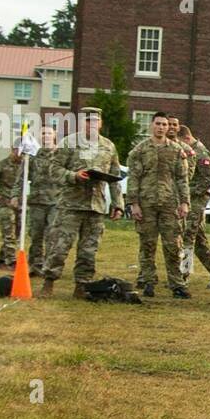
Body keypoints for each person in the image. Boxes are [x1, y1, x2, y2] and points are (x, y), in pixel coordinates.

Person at [39, 108, 125, 298]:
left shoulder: (108, 146)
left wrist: (118, 204)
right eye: (88, 121)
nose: (92, 124)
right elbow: (53, 170)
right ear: (81, 122)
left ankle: (82, 286)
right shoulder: (68, 143)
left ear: (101, 123)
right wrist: (73, 176)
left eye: (95, 121)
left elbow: (115, 178)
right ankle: (49, 282)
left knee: (89, 250)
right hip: (71, 205)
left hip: (96, 206)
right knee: (59, 247)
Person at [126, 113, 190, 297]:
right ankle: (148, 281)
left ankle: (177, 284)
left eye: (165, 124)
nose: (162, 127)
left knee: (173, 246)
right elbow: (134, 178)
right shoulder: (140, 151)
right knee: (147, 244)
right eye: (158, 124)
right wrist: (134, 203)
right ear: (151, 125)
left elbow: (182, 178)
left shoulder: (177, 151)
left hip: (169, 204)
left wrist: (185, 202)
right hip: (146, 204)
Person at [177, 125, 210, 290]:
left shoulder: (199, 151)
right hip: (191, 201)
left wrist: (190, 191)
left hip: (196, 202)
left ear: (186, 138)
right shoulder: (192, 150)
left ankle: (182, 277)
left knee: (187, 238)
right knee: (198, 239)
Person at [12, 126, 61, 276]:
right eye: (43, 133)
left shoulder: (61, 154)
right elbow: (21, 177)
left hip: (56, 201)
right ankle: (35, 265)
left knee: (52, 235)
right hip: (37, 201)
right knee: (35, 235)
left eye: (49, 133)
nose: (46, 135)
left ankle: (49, 266)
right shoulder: (32, 155)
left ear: (54, 135)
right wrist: (15, 195)